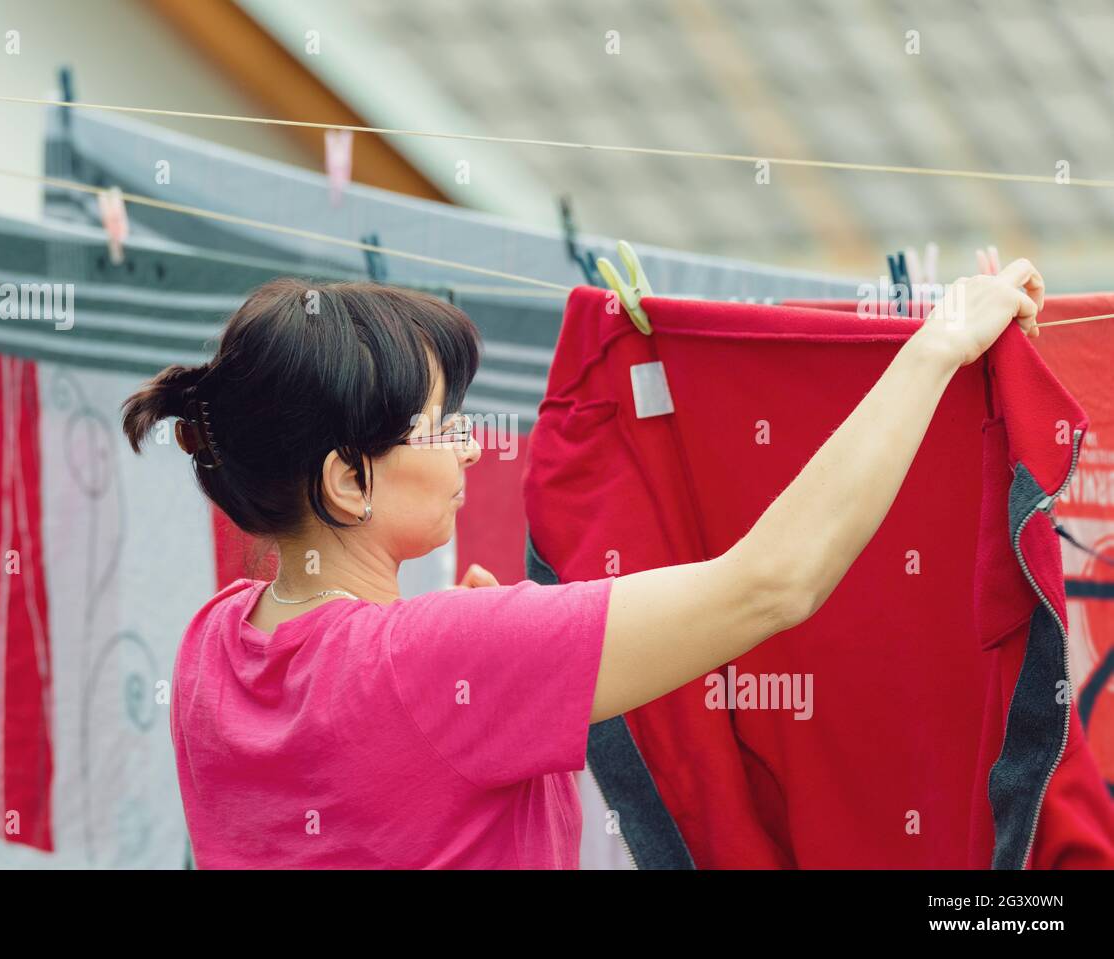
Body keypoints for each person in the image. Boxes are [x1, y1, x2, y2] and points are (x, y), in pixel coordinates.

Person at [121, 263, 1044, 868]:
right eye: (443, 428)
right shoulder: (439, 657)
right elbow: (774, 581)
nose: (470, 452)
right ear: (345, 481)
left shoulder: (211, 647)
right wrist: (936, 349)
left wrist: (483, 677)